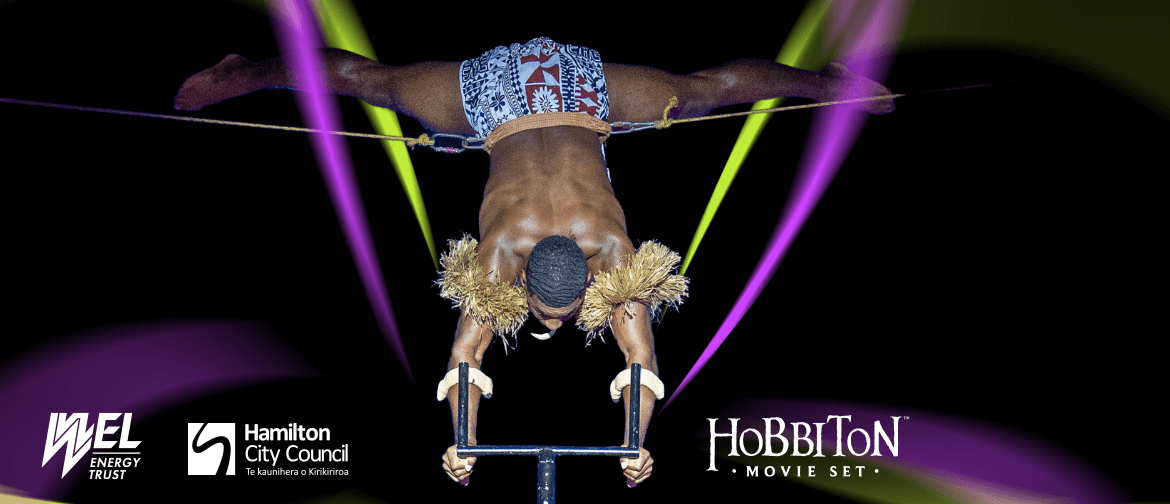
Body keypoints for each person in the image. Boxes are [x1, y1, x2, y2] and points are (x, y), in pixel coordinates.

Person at [173, 37, 895, 487]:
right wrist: (631, 445)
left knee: (705, 93)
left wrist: (466, 442)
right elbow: (624, 360)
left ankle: (826, 83)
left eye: (555, 315)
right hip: (519, 97)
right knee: (370, 81)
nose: (554, 324)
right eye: (560, 317)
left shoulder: (592, 251)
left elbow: (478, 360)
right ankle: (247, 71)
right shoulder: (518, 252)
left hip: (567, 93)